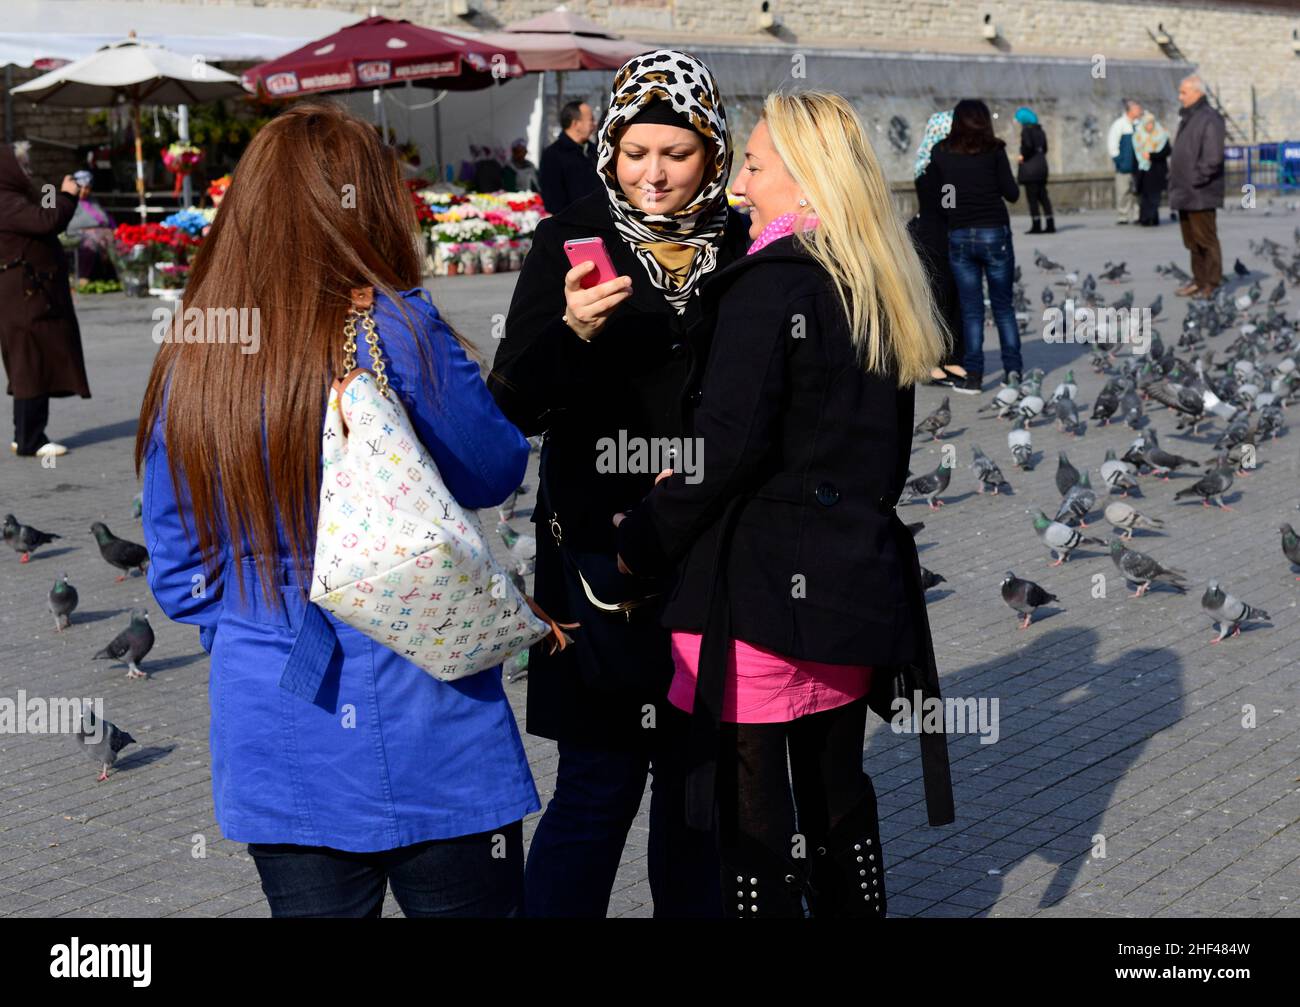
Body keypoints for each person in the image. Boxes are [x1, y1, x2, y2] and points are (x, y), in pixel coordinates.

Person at [137, 100, 539, 918]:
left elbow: (178, 575)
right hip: (433, 706)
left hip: (277, 721)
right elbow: (495, 469)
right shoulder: (397, 326)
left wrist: (257, 624)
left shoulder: (198, 353)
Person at [613, 90, 956, 918]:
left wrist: (641, 541)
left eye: (756, 166)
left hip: (760, 592)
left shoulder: (773, 286)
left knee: (753, 810)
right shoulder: (878, 273)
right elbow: (887, 452)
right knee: (838, 787)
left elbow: (723, 450)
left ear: (807, 181)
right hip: (848, 585)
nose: (738, 186)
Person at [489, 50, 752, 917]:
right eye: (635, 152)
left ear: (712, 150)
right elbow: (510, 407)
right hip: (596, 566)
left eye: (676, 154)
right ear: (608, 146)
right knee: (597, 787)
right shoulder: (570, 235)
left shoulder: (747, 243)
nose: (653, 174)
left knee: (697, 797)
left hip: (712, 560)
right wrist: (569, 331)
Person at [0, 142, 90, 458]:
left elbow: (47, 213)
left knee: (31, 363)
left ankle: (24, 433)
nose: (29, 172)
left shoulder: (17, 198)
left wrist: (56, 189)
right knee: (30, 365)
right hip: (24, 298)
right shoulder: (6, 201)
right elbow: (48, 221)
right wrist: (66, 196)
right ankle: (31, 440)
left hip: (31, 295)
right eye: (23, 167)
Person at [931, 98, 1022, 393]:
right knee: (1004, 308)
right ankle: (1013, 373)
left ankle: (973, 377)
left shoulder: (941, 152)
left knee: (972, 310)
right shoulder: (995, 151)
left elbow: (940, 199)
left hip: (959, 235)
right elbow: (1012, 194)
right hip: (994, 233)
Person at [907, 110, 964, 389]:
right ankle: (937, 362)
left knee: (937, 297)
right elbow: (948, 206)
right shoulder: (941, 166)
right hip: (940, 237)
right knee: (945, 297)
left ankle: (941, 359)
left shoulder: (924, 162)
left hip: (927, 234)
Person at [1169, 75, 1226, 298]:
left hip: (1200, 191)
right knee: (1192, 241)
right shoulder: (1189, 117)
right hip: (1184, 190)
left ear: (1197, 93)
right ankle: (1199, 279)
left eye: (1183, 92)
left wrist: (1196, 179)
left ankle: (1211, 283)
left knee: (1206, 239)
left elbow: (1213, 157)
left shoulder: (1209, 118)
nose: (1179, 96)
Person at [538, 100, 601, 214]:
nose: (594, 124)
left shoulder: (594, 150)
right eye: (591, 119)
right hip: (573, 225)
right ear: (575, 124)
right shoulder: (553, 154)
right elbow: (553, 200)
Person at [66, 170, 117, 285]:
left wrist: (112, 227)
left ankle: (112, 274)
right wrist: (94, 227)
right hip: (76, 233)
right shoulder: (69, 201)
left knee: (112, 239)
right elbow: (71, 223)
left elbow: (104, 217)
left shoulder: (92, 201)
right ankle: (84, 276)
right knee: (93, 240)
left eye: (87, 188)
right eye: (82, 188)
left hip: (99, 232)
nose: (84, 191)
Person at [1015, 106, 1053, 234]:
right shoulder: (1040, 130)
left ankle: (1036, 225)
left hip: (1030, 170)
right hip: (1042, 167)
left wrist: (1022, 156)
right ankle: (1050, 223)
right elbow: (1045, 148)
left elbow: (1028, 146)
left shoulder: (1026, 131)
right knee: (1043, 197)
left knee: (1032, 198)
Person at [1107, 99, 1142, 225]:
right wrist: (1119, 161)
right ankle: (1123, 215)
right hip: (1124, 164)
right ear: (1130, 111)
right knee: (1123, 191)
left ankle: (1137, 214)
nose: (1139, 111)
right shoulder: (1120, 124)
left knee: (1137, 191)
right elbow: (1113, 144)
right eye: (1137, 109)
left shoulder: (1139, 124)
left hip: (1138, 165)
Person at [1133, 112, 1171, 227]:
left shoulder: (1161, 135)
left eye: (1151, 123)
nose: (1149, 126)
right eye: (1147, 124)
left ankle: (1153, 217)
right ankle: (1144, 218)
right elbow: (1135, 153)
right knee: (1144, 197)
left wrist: (1152, 155)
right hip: (1143, 170)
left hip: (1157, 169)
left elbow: (1167, 151)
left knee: (1155, 196)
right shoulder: (1138, 136)